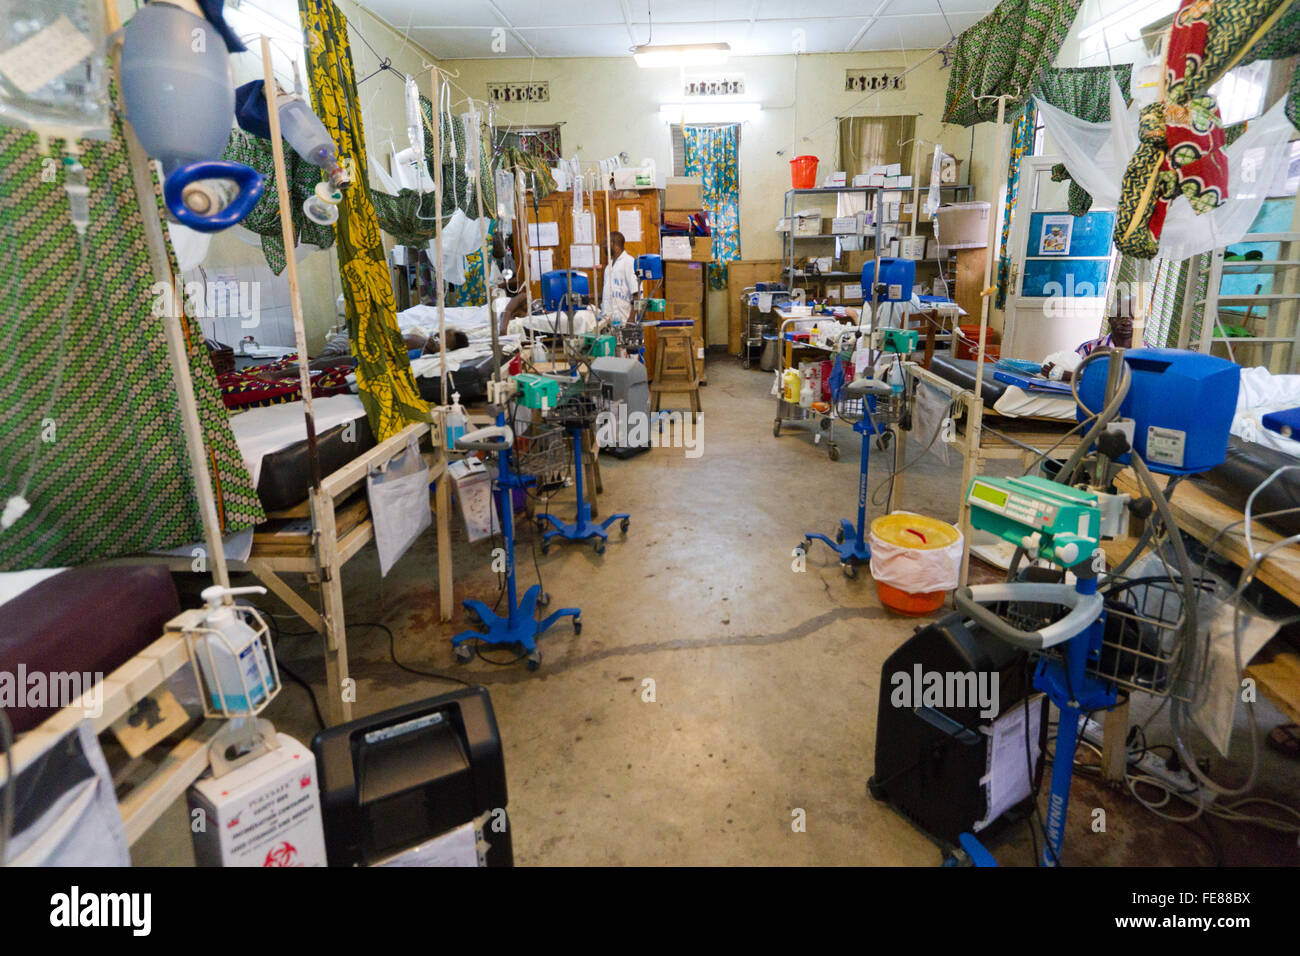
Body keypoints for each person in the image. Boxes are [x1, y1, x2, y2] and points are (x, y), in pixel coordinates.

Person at [601, 231, 639, 325]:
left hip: (625, 319)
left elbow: (637, 294)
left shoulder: (629, 262)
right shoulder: (608, 267)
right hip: (608, 320)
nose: (603, 246)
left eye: (606, 243)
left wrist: (631, 319)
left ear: (613, 244)